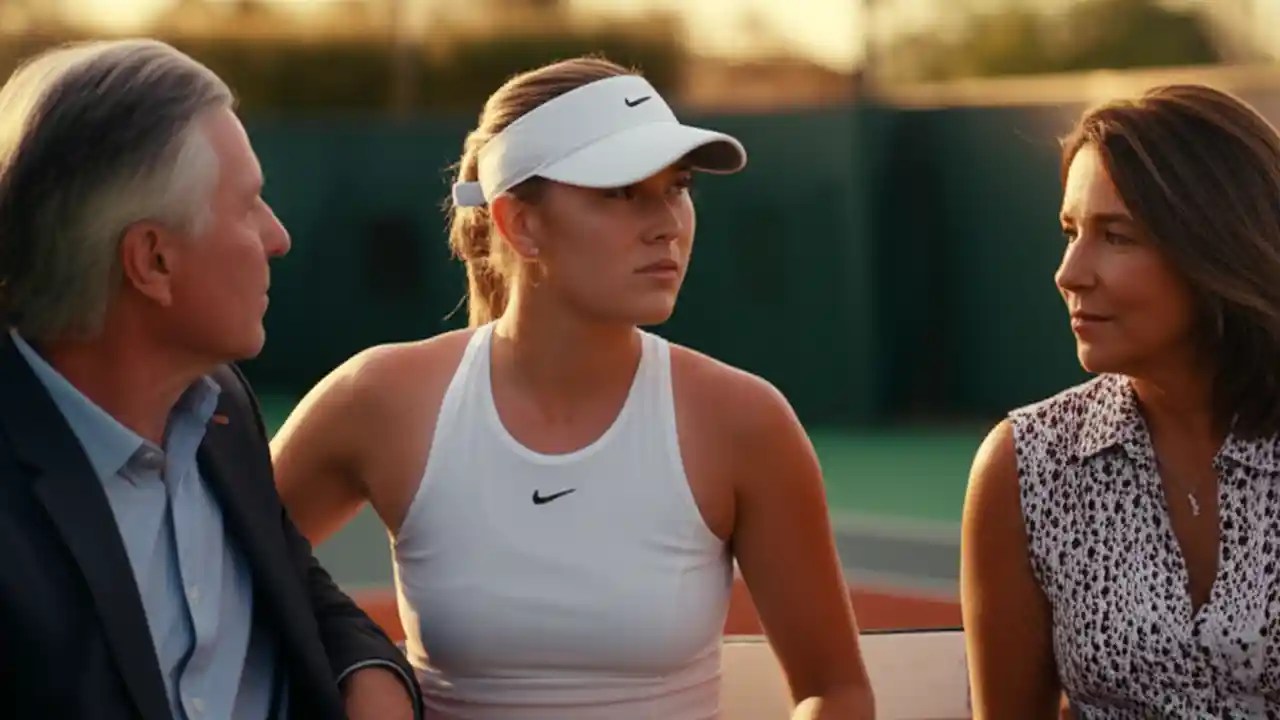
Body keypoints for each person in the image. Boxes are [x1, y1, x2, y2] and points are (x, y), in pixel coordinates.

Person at [271, 57, 875, 719]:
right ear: (519, 224)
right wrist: (359, 661)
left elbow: (835, 691)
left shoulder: (745, 421)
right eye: (619, 192)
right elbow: (218, 570)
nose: (667, 223)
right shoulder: (380, 399)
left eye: (677, 187)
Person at [0, 39, 420, 720]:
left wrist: (371, 675)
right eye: (249, 204)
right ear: (152, 261)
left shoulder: (219, 406)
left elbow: (297, 585)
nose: (278, 236)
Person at [961, 83, 1280, 718]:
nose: (1069, 272)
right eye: (1070, 231)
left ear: (1215, 248)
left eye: (1117, 236)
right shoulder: (1027, 466)